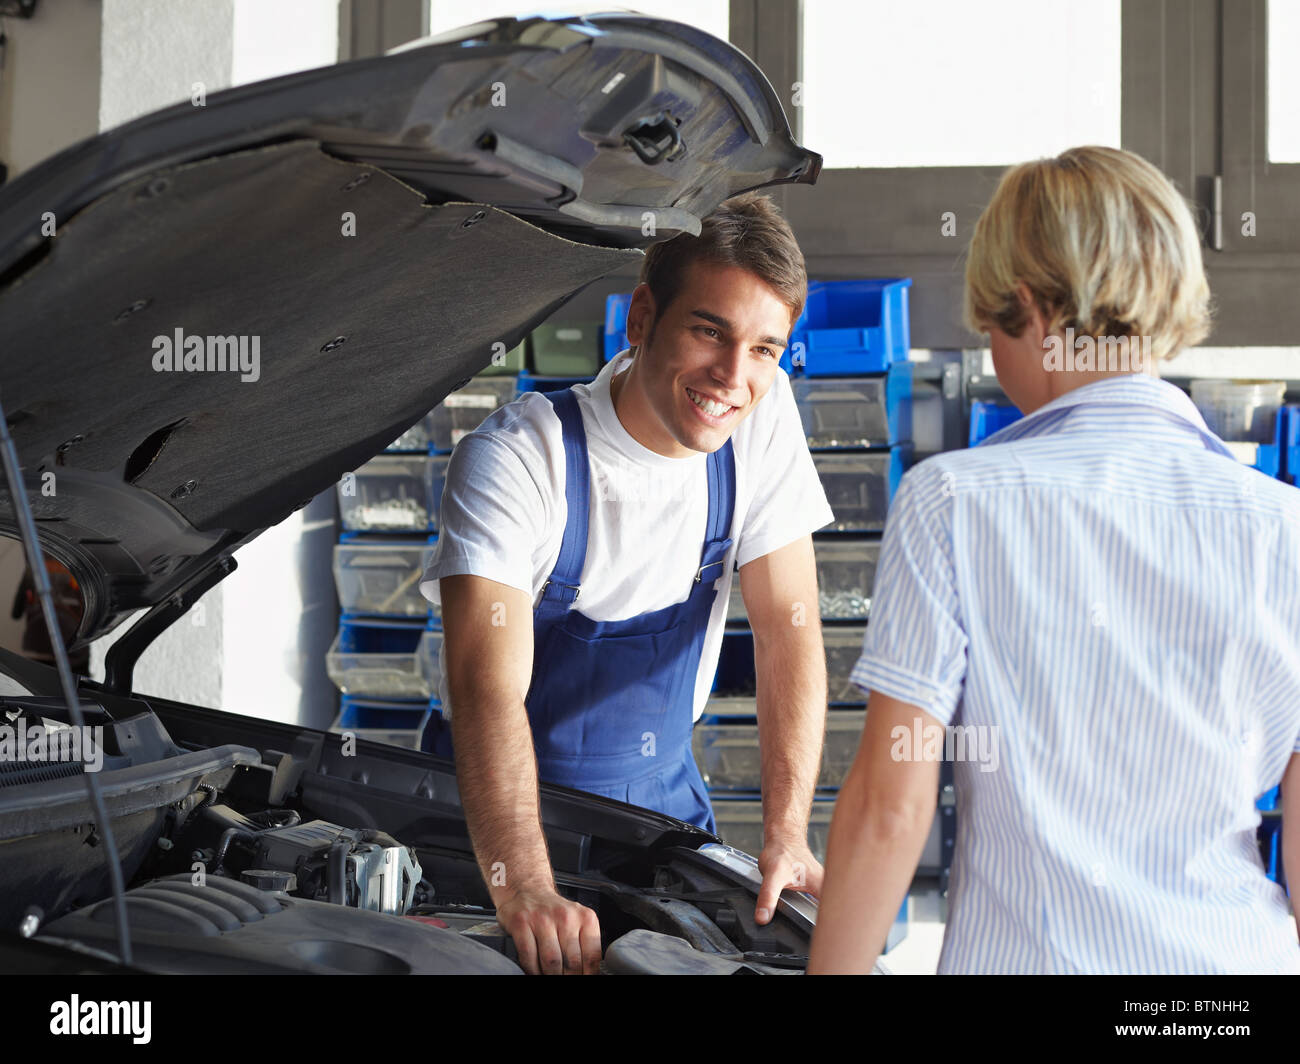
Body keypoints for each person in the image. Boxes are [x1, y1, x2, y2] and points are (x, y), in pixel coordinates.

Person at [808, 145, 1300, 974]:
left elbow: (893, 809)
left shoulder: (953, 502)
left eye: (991, 326)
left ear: (1032, 312)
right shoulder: (1284, 523)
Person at [420, 192, 835, 975]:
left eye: (765, 348)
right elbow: (486, 691)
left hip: (659, 808)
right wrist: (526, 888)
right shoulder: (519, 460)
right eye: (709, 331)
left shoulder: (762, 419)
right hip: (490, 818)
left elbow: (789, 628)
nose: (734, 378)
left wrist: (786, 832)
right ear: (642, 317)